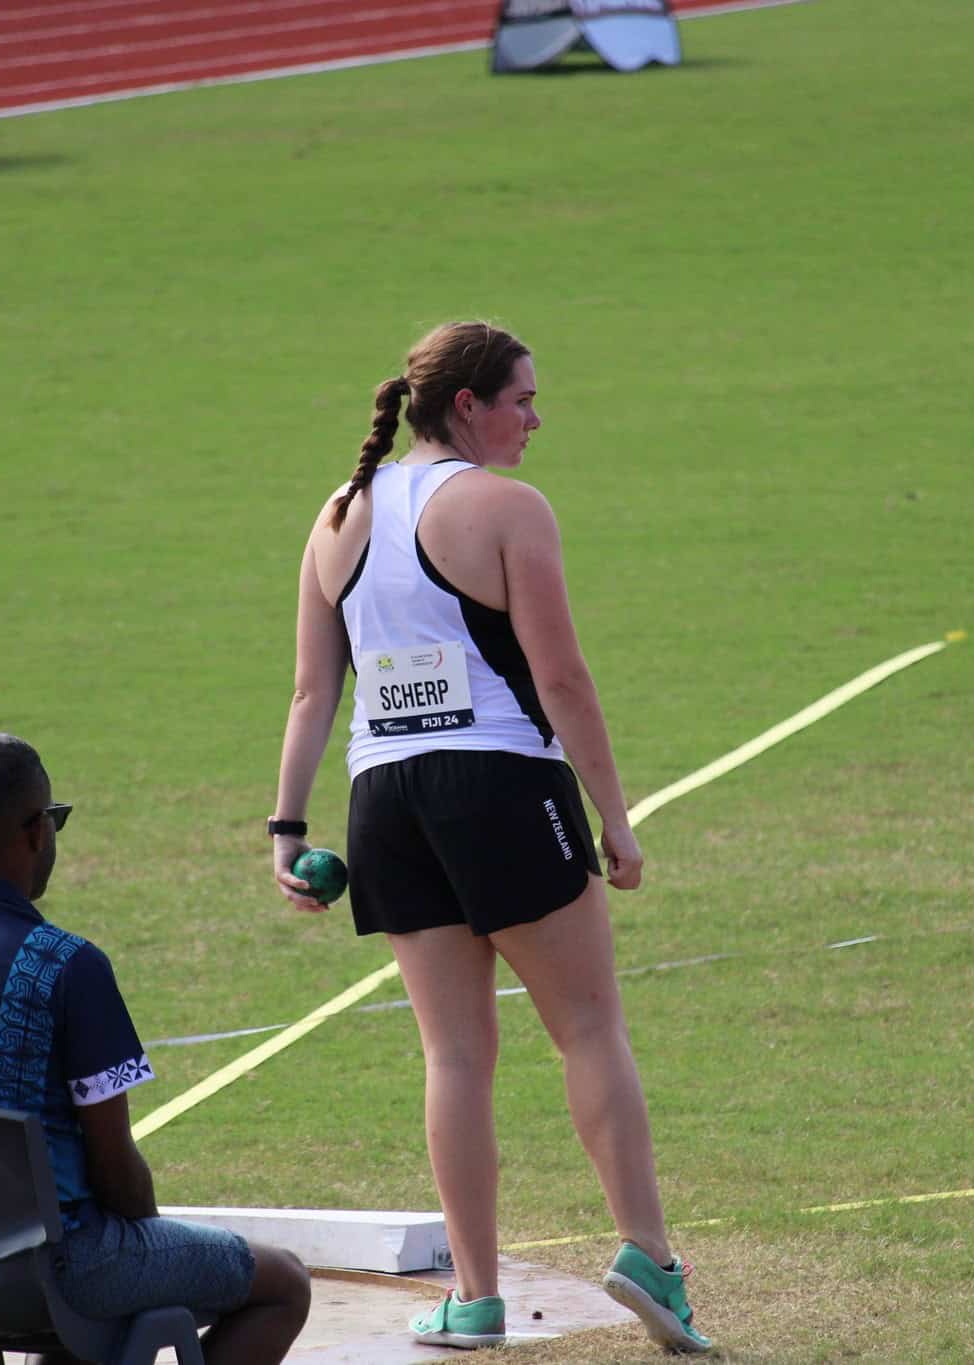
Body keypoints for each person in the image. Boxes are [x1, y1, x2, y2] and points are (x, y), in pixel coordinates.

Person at [268, 322, 711, 1354]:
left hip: (384, 804)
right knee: (590, 1029)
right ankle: (648, 1255)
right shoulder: (508, 508)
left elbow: (309, 692)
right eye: (522, 399)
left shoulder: (337, 516)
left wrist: (286, 830)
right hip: (502, 785)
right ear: (466, 404)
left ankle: (472, 1301)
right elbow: (561, 681)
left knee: (454, 1055)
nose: (535, 419)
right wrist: (616, 818)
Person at [0, 732, 310, 1365]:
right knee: (283, 1283)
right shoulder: (69, 966)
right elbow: (114, 1169)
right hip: (44, 1276)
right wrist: (144, 1243)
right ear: (37, 830)